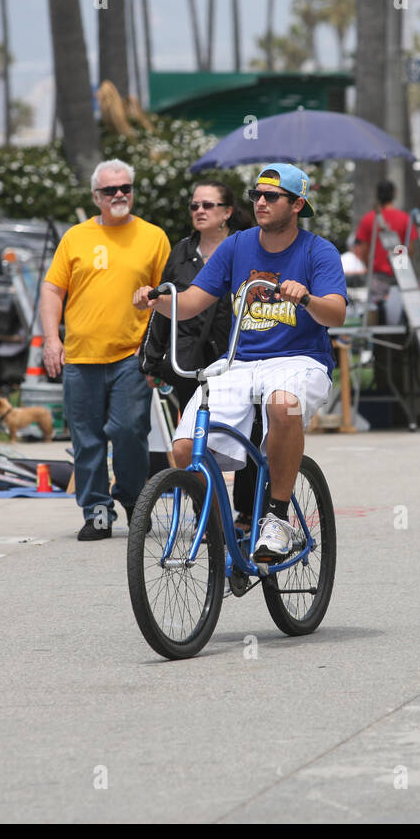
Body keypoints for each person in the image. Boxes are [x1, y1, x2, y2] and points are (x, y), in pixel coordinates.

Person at [133, 163, 348, 562]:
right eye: (256, 195)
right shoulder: (237, 246)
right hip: (241, 363)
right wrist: (156, 300)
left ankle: (277, 518)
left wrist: (306, 299)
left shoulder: (319, 251)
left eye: (272, 196)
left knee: (282, 405)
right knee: (183, 449)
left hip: (300, 361)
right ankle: (221, 538)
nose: (261, 202)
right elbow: (194, 300)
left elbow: (335, 314)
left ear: (298, 204)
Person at [41, 158, 170, 540]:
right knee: (87, 437)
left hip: (132, 354)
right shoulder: (76, 237)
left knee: (130, 429)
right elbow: (52, 289)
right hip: (81, 357)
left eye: (125, 188)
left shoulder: (153, 237)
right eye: (110, 190)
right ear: (96, 196)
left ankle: (132, 499)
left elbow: (168, 296)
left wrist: (158, 352)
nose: (119, 195)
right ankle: (97, 511)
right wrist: (52, 339)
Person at [137, 180, 260, 531]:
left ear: (227, 212)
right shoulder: (181, 252)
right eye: (194, 206)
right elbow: (166, 303)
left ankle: (249, 514)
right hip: (191, 363)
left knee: (248, 435)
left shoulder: (245, 248)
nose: (200, 211)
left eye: (208, 205)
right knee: (196, 439)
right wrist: (153, 358)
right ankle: (208, 515)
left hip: (239, 358)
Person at [352, 179, 417, 325]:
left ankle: (377, 346)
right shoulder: (404, 218)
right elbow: (410, 249)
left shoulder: (369, 219)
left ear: (377, 195)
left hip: (376, 276)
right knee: (398, 318)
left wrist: (369, 265)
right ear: (394, 194)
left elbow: (362, 249)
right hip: (400, 275)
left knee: (376, 316)